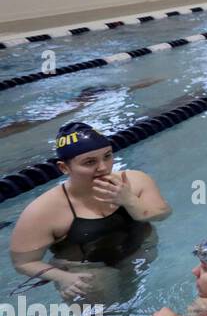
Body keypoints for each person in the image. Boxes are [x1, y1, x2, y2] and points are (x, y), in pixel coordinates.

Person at [8, 121, 170, 303]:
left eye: (107, 156)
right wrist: (63, 278)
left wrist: (130, 201)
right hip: (88, 271)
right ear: (64, 168)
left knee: (132, 299)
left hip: (137, 253)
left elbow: (162, 214)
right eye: (89, 162)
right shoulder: (42, 211)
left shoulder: (136, 180)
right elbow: (24, 262)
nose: (103, 167)